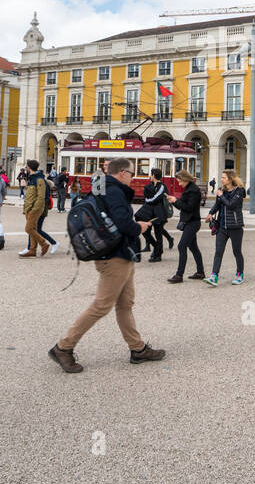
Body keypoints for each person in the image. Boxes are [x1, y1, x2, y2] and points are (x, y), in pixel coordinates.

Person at [48, 157, 164, 373]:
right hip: (115, 257)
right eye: (131, 173)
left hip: (119, 254)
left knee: (125, 304)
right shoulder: (115, 192)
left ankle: (137, 349)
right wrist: (140, 227)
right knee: (101, 306)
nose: (133, 177)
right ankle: (63, 347)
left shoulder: (102, 188)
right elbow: (123, 223)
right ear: (121, 172)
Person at [205, 170, 247, 286]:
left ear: (230, 179)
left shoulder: (239, 191)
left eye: (224, 178)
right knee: (218, 251)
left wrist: (221, 196)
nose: (221, 179)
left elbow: (231, 205)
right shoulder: (221, 190)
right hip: (222, 226)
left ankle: (239, 274)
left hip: (235, 226)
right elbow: (217, 205)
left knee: (237, 251)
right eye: (221, 177)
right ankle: (214, 276)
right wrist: (210, 213)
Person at [166, 169, 206, 283]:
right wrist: (174, 201)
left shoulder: (193, 190)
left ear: (185, 179)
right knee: (193, 248)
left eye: (180, 181)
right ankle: (200, 272)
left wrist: (175, 201)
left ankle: (179, 275)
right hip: (190, 221)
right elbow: (183, 206)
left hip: (193, 222)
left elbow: (189, 207)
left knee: (181, 246)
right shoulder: (189, 189)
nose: (179, 184)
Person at [18, 160, 51, 259]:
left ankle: (44, 244)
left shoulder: (39, 179)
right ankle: (32, 250)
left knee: (28, 229)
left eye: (27, 167)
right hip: (29, 208)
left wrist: (34, 208)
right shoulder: (32, 178)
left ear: (29, 168)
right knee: (33, 229)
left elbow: (41, 197)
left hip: (34, 209)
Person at [138, 168, 171, 262]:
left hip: (159, 214)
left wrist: (148, 200)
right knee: (147, 232)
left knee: (158, 235)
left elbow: (154, 198)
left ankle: (158, 254)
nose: (150, 176)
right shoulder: (151, 186)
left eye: (151, 174)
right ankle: (156, 250)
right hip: (151, 214)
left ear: (154, 175)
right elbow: (147, 195)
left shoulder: (162, 186)